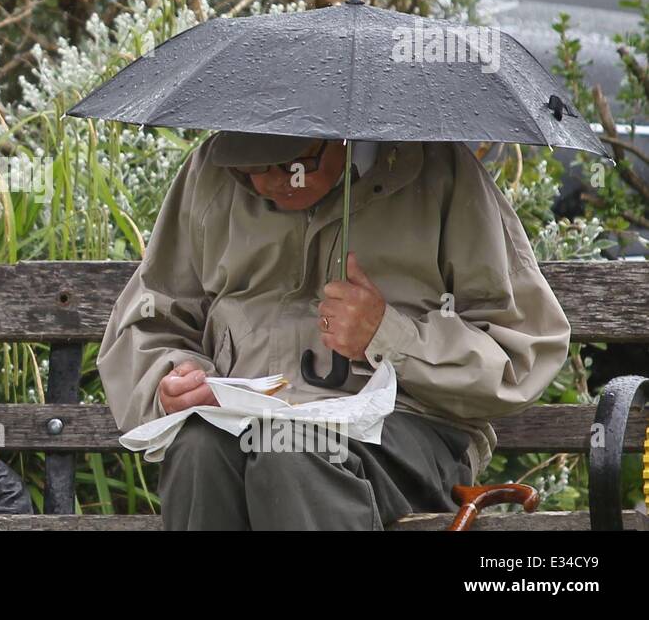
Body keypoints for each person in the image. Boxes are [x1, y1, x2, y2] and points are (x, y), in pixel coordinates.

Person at [97, 132, 570, 530]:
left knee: (293, 452)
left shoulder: (441, 172)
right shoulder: (210, 169)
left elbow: (519, 351)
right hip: (243, 421)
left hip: (407, 432)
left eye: (291, 164)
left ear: (341, 136)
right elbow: (150, 321)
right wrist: (177, 379)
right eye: (249, 172)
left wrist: (388, 337)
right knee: (200, 448)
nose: (267, 184)